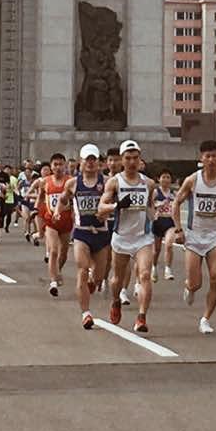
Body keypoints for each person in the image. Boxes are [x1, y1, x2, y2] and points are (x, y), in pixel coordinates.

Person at [171, 140, 216, 334]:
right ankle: (189, 288)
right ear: (201, 158)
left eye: (214, 156)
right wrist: (178, 230)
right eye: (207, 156)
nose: (211, 160)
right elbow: (176, 203)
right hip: (193, 236)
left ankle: (205, 319)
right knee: (195, 282)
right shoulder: (193, 180)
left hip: (214, 236)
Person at [100, 140, 156, 333]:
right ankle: (115, 301)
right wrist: (117, 206)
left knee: (145, 275)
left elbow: (150, 206)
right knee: (117, 278)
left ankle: (141, 317)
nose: (132, 162)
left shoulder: (148, 183)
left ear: (140, 159)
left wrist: (152, 216)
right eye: (128, 158)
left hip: (143, 237)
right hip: (122, 236)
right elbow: (100, 209)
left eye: (135, 158)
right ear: (122, 160)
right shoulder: (114, 182)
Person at [66, 144, 112, 329]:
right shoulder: (73, 183)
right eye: (88, 160)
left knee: (98, 277)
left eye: (94, 160)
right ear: (81, 162)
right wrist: (58, 209)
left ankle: (94, 282)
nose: (91, 163)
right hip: (81, 232)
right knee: (82, 270)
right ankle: (86, 313)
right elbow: (63, 198)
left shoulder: (107, 182)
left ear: (99, 163)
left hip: (101, 233)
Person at [39, 153, 74, 295]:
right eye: (55, 164)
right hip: (51, 221)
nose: (58, 167)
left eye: (61, 164)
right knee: (53, 250)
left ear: (65, 165)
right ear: (51, 166)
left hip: (66, 221)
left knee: (64, 254)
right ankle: (53, 281)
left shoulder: (71, 181)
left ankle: (57, 271)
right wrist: (41, 214)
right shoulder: (45, 182)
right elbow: (41, 199)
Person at [150, 170, 178, 282]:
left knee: (169, 245)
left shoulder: (174, 193)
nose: (166, 179)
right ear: (159, 179)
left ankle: (168, 269)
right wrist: (159, 204)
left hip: (169, 222)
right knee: (156, 250)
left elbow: (178, 205)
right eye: (163, 177)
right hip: (158, 222)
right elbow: (149, 205)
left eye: (168, 177)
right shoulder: (156, 192)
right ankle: (154, 267)